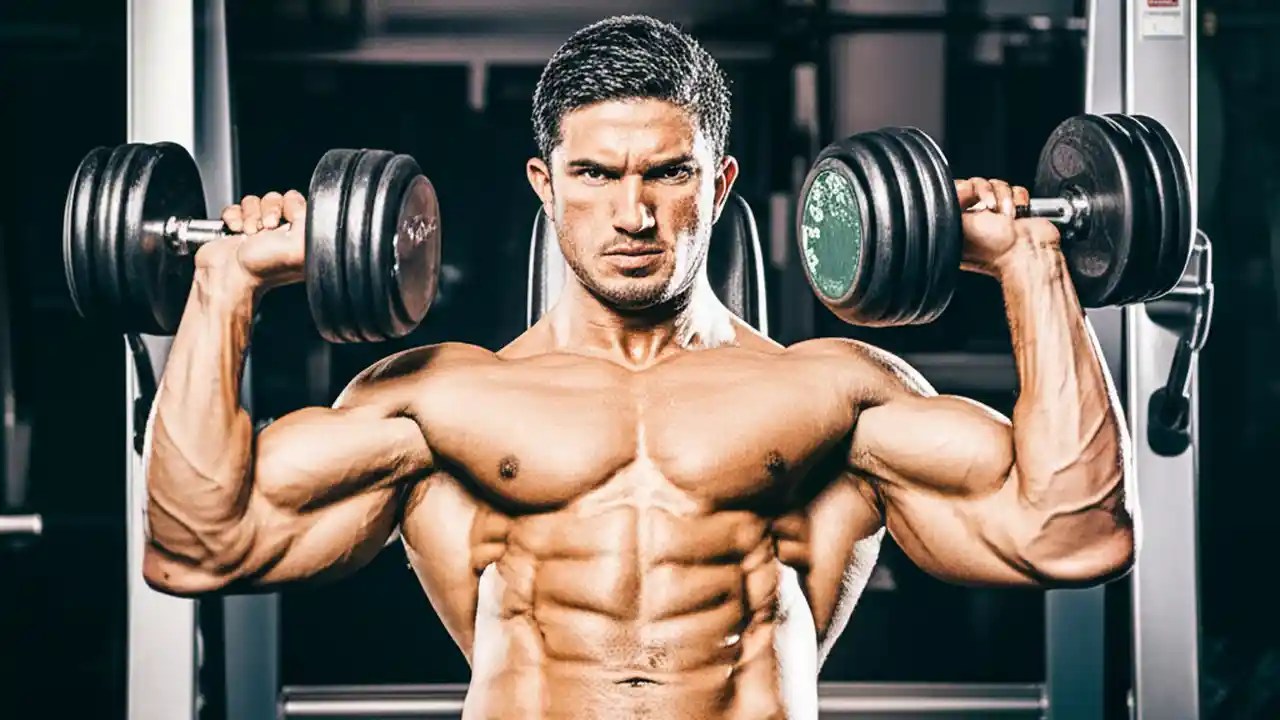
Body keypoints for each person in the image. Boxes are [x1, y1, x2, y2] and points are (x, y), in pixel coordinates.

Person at [140, 14, 1137, 719]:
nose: (633, 214)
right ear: (543, 183)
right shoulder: (439, 400)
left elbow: (1068, 535)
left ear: (720, 181)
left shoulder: (831, 393)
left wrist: (1030, 261)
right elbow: (201, 546)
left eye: (669, 172)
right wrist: (225, 280)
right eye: (594, 174)